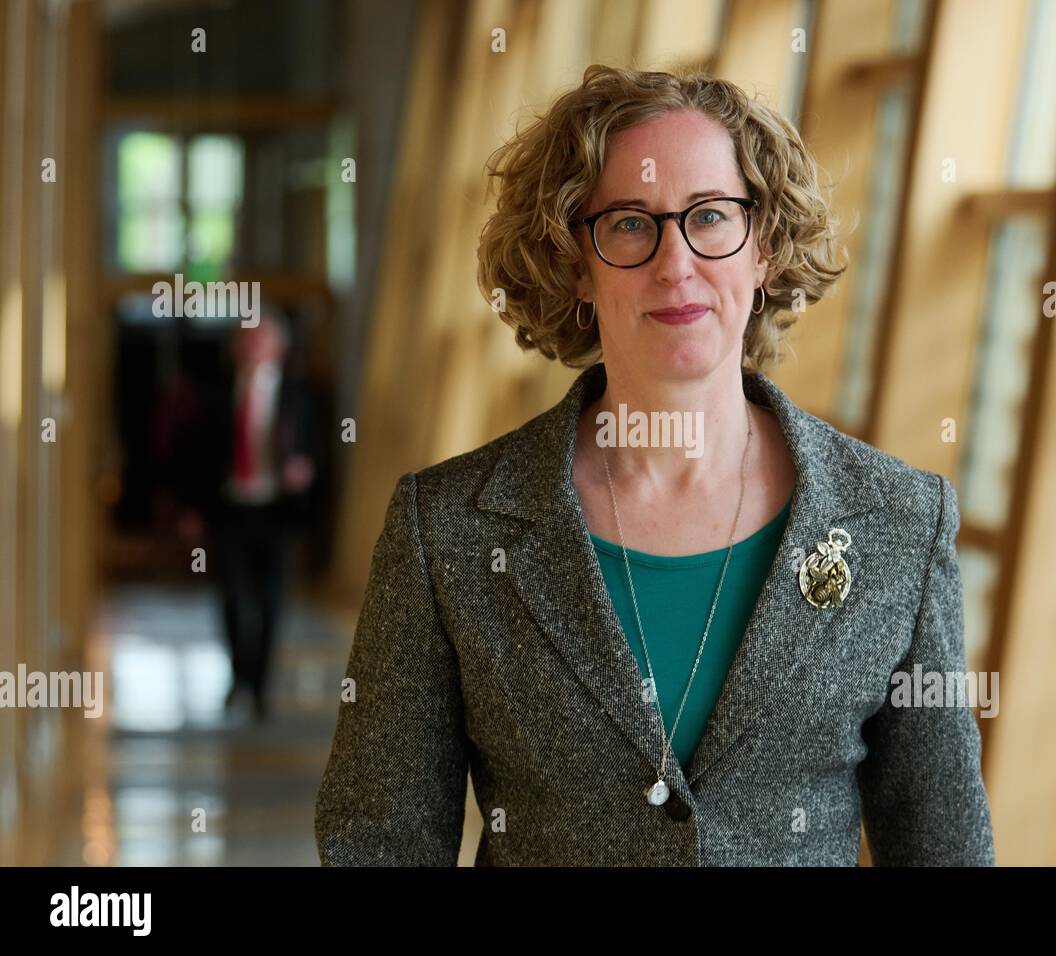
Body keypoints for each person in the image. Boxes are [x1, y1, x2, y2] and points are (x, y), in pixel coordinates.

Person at [315, 64, 994, 865]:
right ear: (575, 264)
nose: (677, 264)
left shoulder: (897, 524)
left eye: (710, 217)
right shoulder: (448, 529)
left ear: (764, 247)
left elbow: (943, 846)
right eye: (631, 225)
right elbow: (380, 841)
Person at [174, 309, 320, 721]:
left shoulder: (298, 394)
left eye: (262, 340)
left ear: (279, 348)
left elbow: (316, 449)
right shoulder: (218, 393)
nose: (254, 348)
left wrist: (304, 469)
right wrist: (190, 509)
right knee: (234, 598)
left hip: (276, 511)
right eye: (248, 339)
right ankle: (238, 675)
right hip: (231, 511)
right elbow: (196, 456)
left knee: (272, 600)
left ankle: (259, 686)